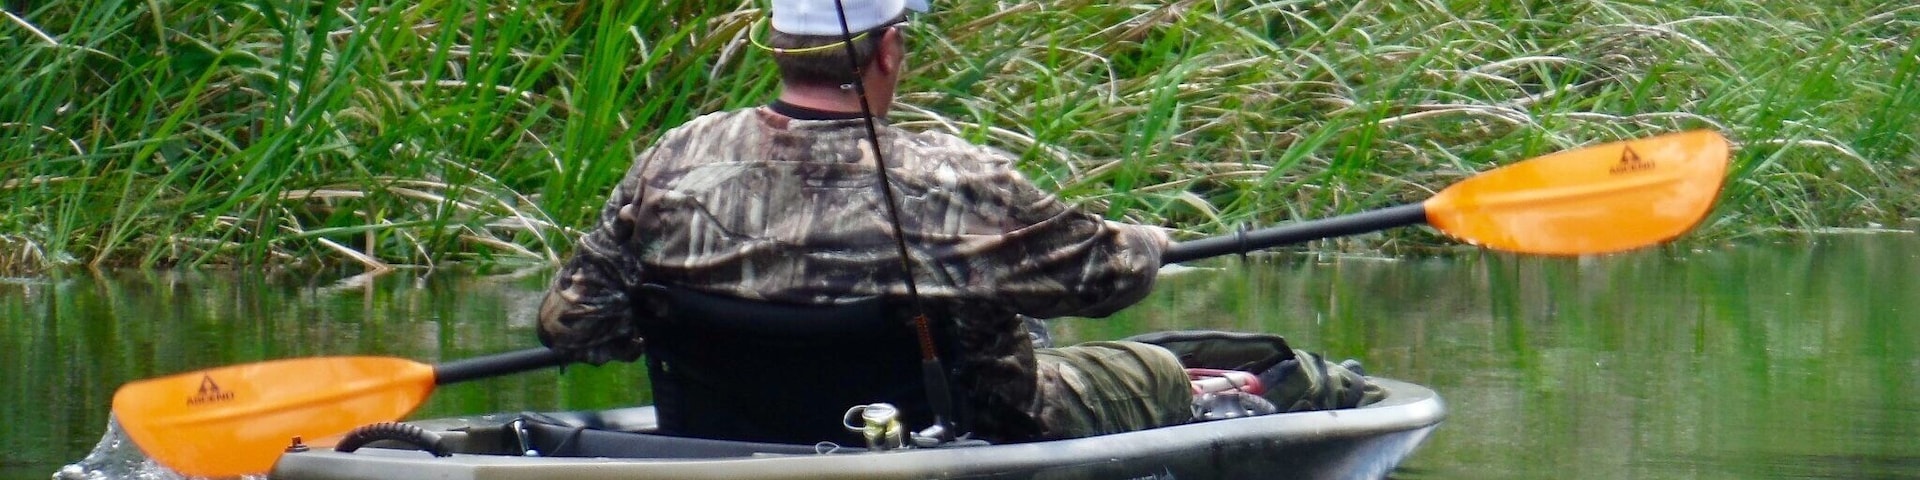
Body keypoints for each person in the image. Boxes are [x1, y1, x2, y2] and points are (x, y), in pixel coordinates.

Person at [535, 0, 1378, 445]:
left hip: (721, 432)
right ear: (889, 50)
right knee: (1156, 369)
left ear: (780, 49)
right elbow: (1103, 278)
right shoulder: (952, 177)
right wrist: (1148, 244)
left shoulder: (673, 157)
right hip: (972, 426)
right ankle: (1252, 395)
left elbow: (572, 325)